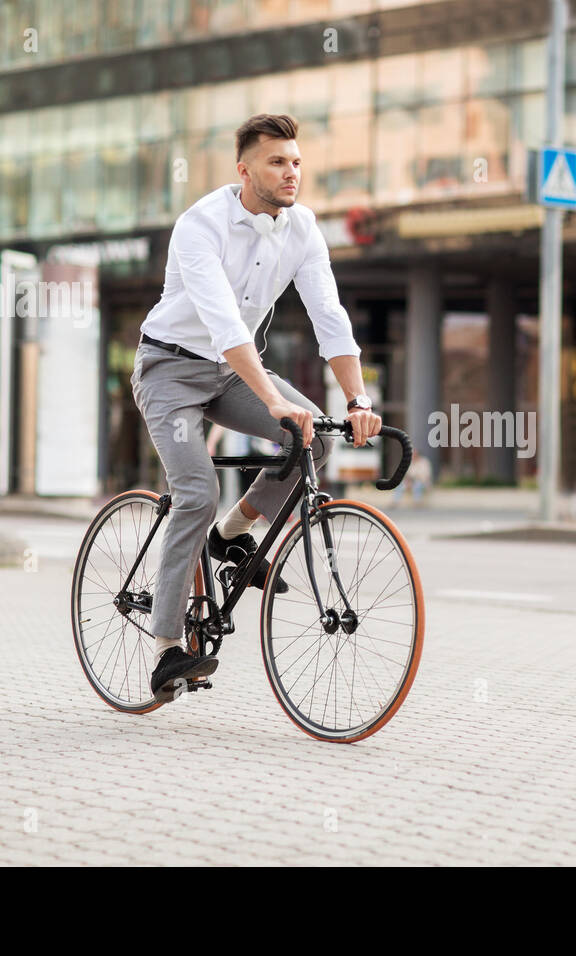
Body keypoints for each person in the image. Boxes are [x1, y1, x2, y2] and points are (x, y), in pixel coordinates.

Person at [130, 113, 382, 702]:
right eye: (277, 162)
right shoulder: (201, 225)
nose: (291, 172)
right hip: (169, 369)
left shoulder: (304, 229)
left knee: (312, 438)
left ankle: (233, 533)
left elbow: (330, 318)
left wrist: (358, 398)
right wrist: (272, 399)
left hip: (229, 372)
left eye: (296, 162)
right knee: (194, 491)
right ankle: (167, 647)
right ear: (244, 170)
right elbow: (222, 324)